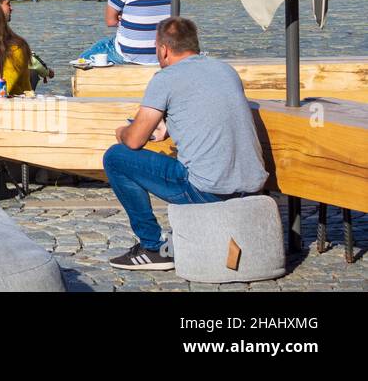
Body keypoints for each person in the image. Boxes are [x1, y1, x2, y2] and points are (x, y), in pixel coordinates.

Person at [103, 17, 269, 271]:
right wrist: (170, 126)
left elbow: (135, 140)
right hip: (252, 185)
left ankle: (152, 247)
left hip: (208, 190)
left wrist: (122, 131)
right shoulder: (224, 69)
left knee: (116, 157)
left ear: (163, 49)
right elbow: (209, 111)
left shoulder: (165, 78)